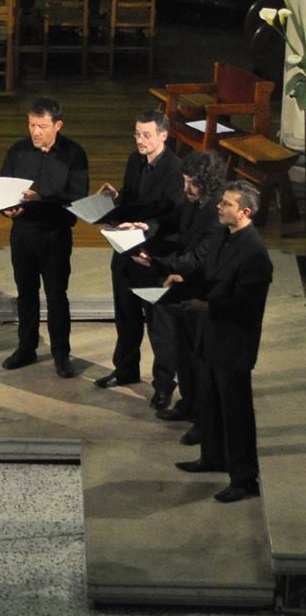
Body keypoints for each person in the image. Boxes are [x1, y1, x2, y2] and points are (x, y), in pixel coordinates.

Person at [169, 181, 272, 503]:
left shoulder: (255, 253)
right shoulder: (223, 239)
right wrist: (184, 281)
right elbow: (209, 276)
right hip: (211, 336)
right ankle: (212, 457)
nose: (219, 207)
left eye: (227, 204)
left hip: (233, 343)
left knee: (235, 412)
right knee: (211, 403)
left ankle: (244, 479)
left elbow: (246, 305)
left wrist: (207, 305)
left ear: (245, 212)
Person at [93, 110, 185, 411]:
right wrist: (110, 203)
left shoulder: (175, 170)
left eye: (146, 135)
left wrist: (146, 228)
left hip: (152, 255)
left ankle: (162, 386)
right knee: (126, 316)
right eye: (136, 134)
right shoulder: (135, 161)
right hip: (125, 250)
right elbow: (132, 200)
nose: (140, 140)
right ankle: (126, 370)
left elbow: (173, 215)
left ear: (163, 135)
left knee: (159, 326)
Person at [134, 150, 227, 440]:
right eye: (184, 181)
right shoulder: (193, 201)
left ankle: (204, 420)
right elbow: (172, 220)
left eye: (191, 184)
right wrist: (147, 229)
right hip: (184, 289)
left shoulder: (218, 211)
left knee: (201, 362)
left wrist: (159, 262)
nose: (185, 189)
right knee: (183, 354)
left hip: (203, 295)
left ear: (207, 183)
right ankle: (188, 404)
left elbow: (200, 258)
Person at [0, 97, 88, 378]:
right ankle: (26, 348)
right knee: (26, 294)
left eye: (42, 126)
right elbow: (3, 188)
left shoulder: (74, 154)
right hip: (23, 233)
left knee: (56, 295)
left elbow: (76, 201)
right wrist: (7, 208)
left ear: (57, 125)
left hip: (55, 235)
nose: (35, 131)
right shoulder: (18, 150)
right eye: (31, 125)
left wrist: (41, 199)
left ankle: (61, 353)